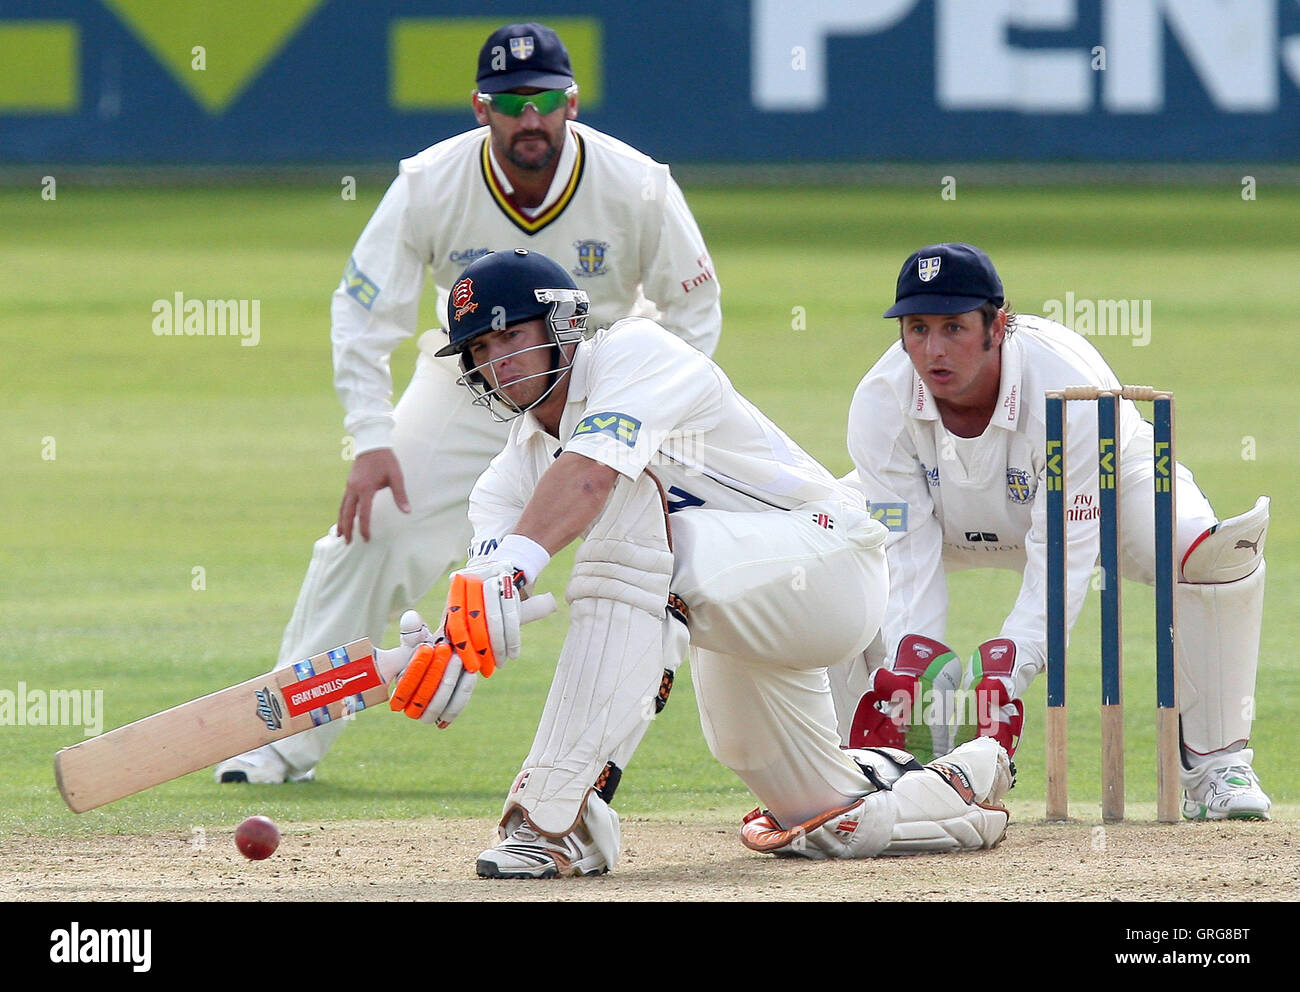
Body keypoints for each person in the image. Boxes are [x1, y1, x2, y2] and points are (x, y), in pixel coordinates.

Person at [396, 247, 1014, 878]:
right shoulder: (506, 478)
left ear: (562, 325)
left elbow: (587, 480)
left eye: (509, 335)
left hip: (829, 567)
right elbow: (492, 582)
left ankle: (553, 818)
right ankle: (959, 778)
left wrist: (504, 576)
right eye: (479, 349)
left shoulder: (635, 353)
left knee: (636, 517)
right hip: (734, 607)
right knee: (826, 821)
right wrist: (454, 644)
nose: (497, 362)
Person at [216, 22, 721, 784]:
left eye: (546, 99)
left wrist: (653, 418)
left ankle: (598, 772)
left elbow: (694, 308)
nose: (530, 118)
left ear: (571, 103)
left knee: (667, 564)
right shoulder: (428, 181)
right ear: (481, 108)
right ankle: (287, 734)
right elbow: (362, 311)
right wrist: (370, 437)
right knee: (372, 532)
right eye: (511, 102)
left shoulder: (638, 182)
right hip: (470, 379)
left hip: (607, 375)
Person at [840, 242, 1271, 821]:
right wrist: (913, 669)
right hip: (950, 507)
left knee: (1215, 554)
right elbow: (905, 552)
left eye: (954, 328)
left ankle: (1217, 765)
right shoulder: (880, 401)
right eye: (917, 329)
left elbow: (1063, 550)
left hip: (1110, 483)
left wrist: (1009, 665)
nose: (933, 350)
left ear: (998, 324)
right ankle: (870, 770)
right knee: (832, 550)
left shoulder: (1070, 388)